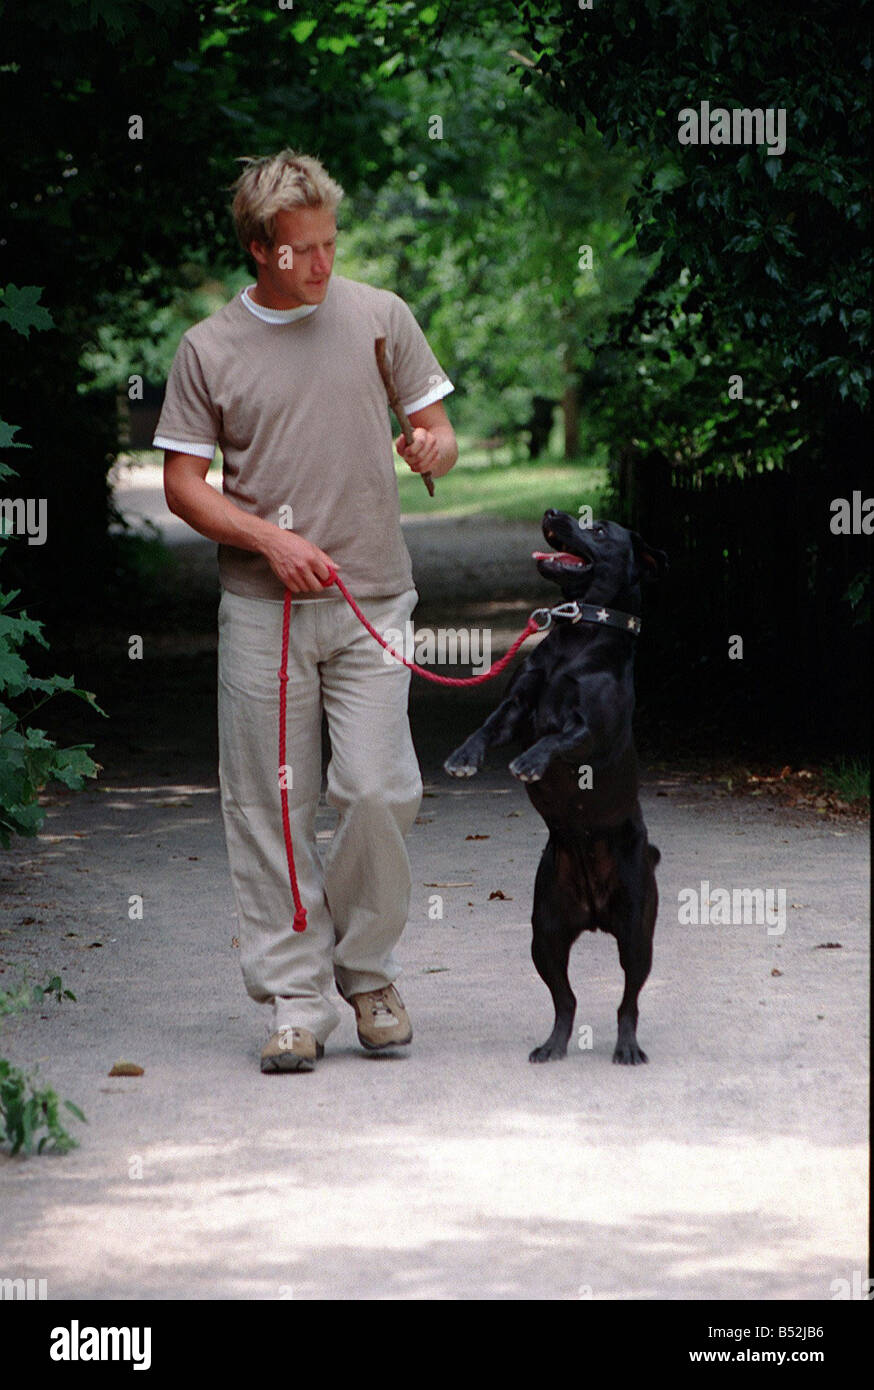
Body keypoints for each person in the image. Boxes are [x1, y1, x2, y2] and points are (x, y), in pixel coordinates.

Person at [155, 150, 457, 1072]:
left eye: (331, 244)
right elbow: (182, 486)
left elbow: (439, 428)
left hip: (372, 599)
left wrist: (432, 447)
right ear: (259, 250)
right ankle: (294, 1003)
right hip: (262, 611)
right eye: (303, 251)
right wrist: (268, 541)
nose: (324, 264)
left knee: (377, 790)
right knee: (267, 809)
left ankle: (368, 976)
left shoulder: (379, 318)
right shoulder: (210, 349)